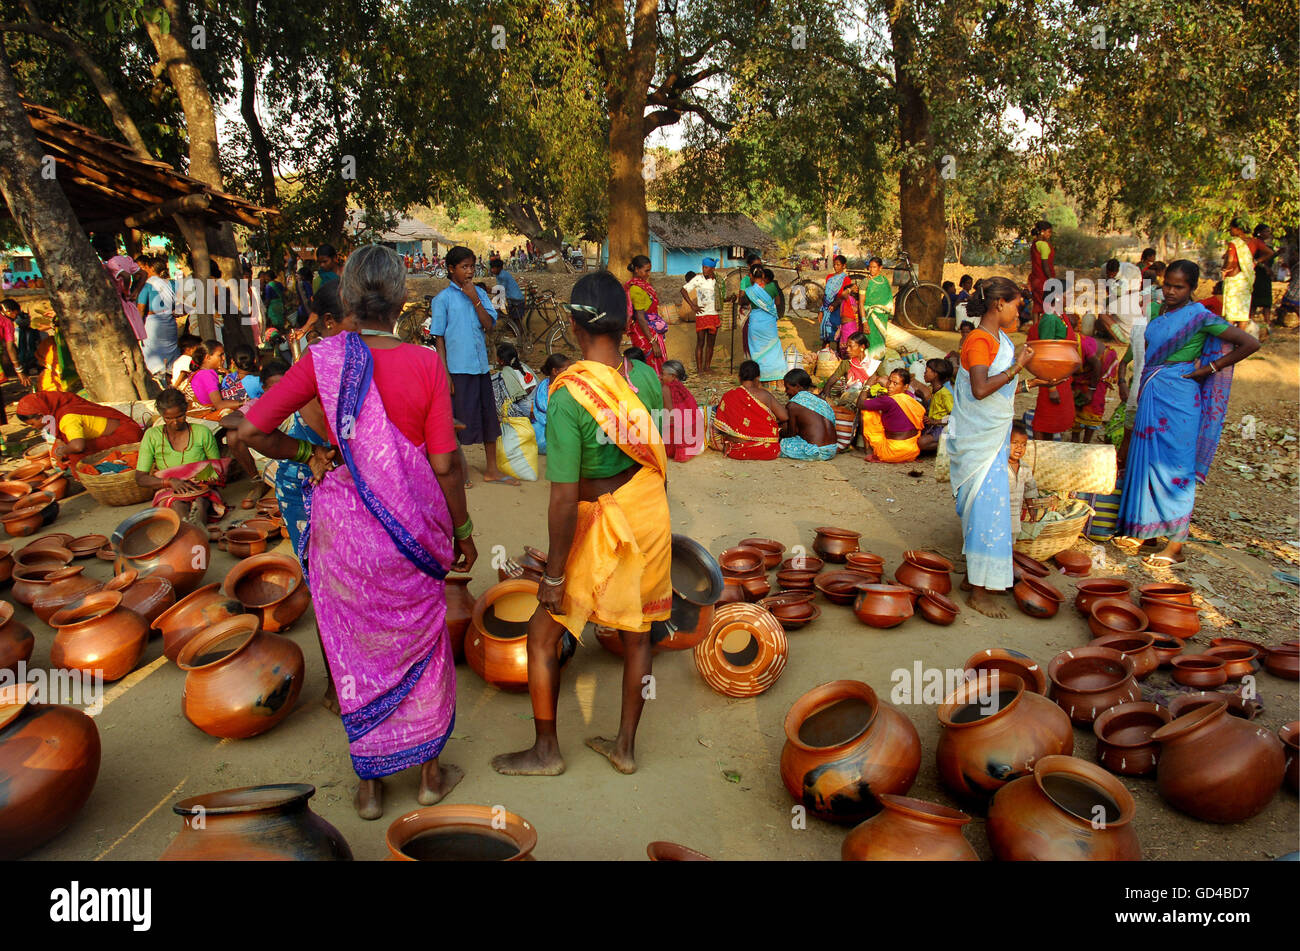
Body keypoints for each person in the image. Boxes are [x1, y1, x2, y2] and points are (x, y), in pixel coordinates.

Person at [238, 244, 473, 818]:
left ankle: (369, 788)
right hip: (410, 532)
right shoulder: (425, 363)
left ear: (347, 298)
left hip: (342, 532)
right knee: (419, 642)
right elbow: (443, 464)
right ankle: (429, 777)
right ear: (401, 300)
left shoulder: (323, 359)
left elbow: (247, 429)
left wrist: (307, 454)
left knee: (355, 650)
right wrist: (462, 529)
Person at [492, 270, 669, 777]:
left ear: (572, 325)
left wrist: (552, 577)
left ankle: (546, 751)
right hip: (648, 512)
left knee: (542, 632)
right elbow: (654, 455)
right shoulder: (648, 379)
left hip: (601, 521)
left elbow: (564, 499)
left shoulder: (568, 393)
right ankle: (625, 748)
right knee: (639, 636)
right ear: (626, 320)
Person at [1114, 260, 1259, 568]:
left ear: (1192, 288)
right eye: (1167, 284)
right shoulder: (1160, 312)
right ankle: (1146, 530)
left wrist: (1210, 368)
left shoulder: (1201, 317)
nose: (1170, 291)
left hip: (1180, 398)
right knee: (1148, 460)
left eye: (1178, 287)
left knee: (1176, 468)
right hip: (1152, 392)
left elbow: (1249, 343)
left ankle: (1176, 544)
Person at [947, 276, 1040, 618]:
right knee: (986, 510)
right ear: (999, 304)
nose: (1020, 310)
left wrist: (1030, 382)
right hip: (978, 440)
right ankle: (980, 592)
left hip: (992, 436)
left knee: (989, 509)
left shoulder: (999, 339)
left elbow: (1001, 390)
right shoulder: (979, 341)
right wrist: (1018, 367)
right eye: (1017, 303)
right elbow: (981, 390)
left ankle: (977, 579)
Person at [427, 246, 519, 487]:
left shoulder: (480, 293)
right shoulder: (442, 300)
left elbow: (489, 325)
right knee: (458, 421)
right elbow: (439, 338)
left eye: (472, 267)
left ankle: (491, 469)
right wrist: (444, 374)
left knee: (489, 418)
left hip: (480, 368)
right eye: (464, 267)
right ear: (451, 269)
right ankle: (460, 471)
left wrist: (475, 299)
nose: (469, 272)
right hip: (457, 369)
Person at [133, 388, 228, 523]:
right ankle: (189, 527)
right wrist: (170, 482)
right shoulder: (152, 436)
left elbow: (217, 468)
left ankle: (196, 526)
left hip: (200, 486)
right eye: (168, 418)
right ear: (161, 415)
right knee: (177, 504)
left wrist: (208, 479)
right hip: (169, 489)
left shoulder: (202, 432)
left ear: (186, 411)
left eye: (179, 416)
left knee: (200, 502)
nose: (175, 422)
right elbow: (140, 478)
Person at [16, 392, 144, 467]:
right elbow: (62, 440)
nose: (34, 428)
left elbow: (78, 446)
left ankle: (93, 478)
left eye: (33, 424)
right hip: (118, 432)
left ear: (41, 415)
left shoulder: (67, 418)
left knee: (76, 454)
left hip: (126, 435)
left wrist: (61, 452)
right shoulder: (57, 413)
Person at [1025, 308, 1095, 441]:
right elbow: (1046, 353)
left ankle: (1049, 449)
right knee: (1043, 420)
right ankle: (1040, 452)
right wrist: (1052, 388)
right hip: (1051, 378)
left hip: (1061, 376)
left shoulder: (1060, 315)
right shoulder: (1050, 318)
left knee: (1054, 419)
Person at [710, 360, 787, 459]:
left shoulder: (729, 395)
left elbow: (720, 425)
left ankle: (739, 440)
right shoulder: (765, 395)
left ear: (739, 378)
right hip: (767, 449)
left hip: (737, 449)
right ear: (758, 377)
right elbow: (784, 416)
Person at [858, 368, 926, 463]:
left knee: (867, 410)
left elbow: (860, 403)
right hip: (912, 451)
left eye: (895, 383)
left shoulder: (888, 400)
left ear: (906, 387)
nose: (890, 386)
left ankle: (868, 449)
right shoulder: (910, 398)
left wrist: (868, 384)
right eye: (889, 381)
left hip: (892, 452)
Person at [137, 253, 182, 384]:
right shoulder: (171, 284)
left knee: (153, 356)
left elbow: (141, 308)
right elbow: (178, 305)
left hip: (153, 324)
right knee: (170, 355)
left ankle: (159, 382)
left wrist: (137, 329)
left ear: (150, 268)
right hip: (169, 322)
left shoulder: (147, 285)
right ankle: (172, 381)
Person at [92, 233, 146, 341]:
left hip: (119, 300)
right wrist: (136, 291)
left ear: (101, 251)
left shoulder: (111, 263)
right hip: (128, 301)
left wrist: (125, 290)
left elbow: (125, 276)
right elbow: (144, 274)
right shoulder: (126, 259)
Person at [741, 266, 787, 390]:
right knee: (775, 349)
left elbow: (743, 302)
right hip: (769, 323)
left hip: (756, 323)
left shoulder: (750, 290)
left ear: (752, 276)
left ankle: (760, 382)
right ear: (762, 276)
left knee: (757, 352)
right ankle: (779, 381)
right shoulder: (771, 287)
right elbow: (777, 302)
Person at [780, 369, 837, 461]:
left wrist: (780, 432)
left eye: (788, 388)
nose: (786, 392)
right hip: (832, 449)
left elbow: (791, 434)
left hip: (816, 451)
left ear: (798, 386)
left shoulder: (793, 405)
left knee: (780, 442)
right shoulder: (821, 399)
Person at [624, 255, 668, 373]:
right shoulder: (636, 289)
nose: (648, 274)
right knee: (649, 365)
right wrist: (653, 342)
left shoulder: (643, 286)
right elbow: (640, 317)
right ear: (637, 270)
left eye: (649, 270)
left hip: (650, 331)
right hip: (643, 333)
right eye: (646, 270)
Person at [1072, 337, 1117, 444]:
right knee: (1076, 399)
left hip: (1101, 365)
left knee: (1094, 402)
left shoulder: (1081, 345)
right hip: (1086, 369)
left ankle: (1086, 442)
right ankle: (1075, 437)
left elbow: (1097, 364)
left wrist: (1091, 391)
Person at [682, 258, 724, 373]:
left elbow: (720, 297)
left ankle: (707, 367)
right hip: (702, 315)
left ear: (713, 269)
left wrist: (729, 298)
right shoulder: (698, 279)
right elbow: (683, 290)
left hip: (714, 314)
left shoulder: (718, 281)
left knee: (711, 344)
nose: (704, 270)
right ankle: (700, 369)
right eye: (703, 267)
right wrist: (692, 306)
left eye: (706, 267)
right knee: (700, 342)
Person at [660, 359, 704, 462]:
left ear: (673, 376)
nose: (660, 377)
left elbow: (669, 414)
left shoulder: (665, 388)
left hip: (673, 437)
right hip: (692, 437)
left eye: (663, 374)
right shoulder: (682, 388)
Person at [532, 353, 571, 453]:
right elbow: (534, 412)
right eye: (566, 370)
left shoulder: (568, 386)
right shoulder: (543, 387)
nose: (570, 373)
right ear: (555, 371)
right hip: (546, 428)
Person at [917, 358, 955, 454]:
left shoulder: (945, 394)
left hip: (941, 426)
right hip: (932, 425)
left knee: (921, 443)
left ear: (935, 374)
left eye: (926, 371)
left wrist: (935, 421)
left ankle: (947, 445)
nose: (924, 374)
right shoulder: (934, 391)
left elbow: (954, 416)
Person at [1007, 421, 1038, 538]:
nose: (1019, 447)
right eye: (1014, 443)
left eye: (1023, 444)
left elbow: (1029, 488)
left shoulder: (1025, 468)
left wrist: (1031, 508)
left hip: (1015, 513)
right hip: (997, 512)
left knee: (1011, 540)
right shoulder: (999, 467)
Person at [492, 341, 538, 417]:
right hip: (539, 401)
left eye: (497, 357)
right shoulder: (523, 366)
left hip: (527, 406)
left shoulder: (505, 374)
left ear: (501, 361)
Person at [860, 257, 894, 357]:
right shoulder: (865, 282)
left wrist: (890, 315)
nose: (871, 270)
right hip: (870, 318)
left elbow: (889, 300)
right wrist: (864, 321)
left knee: (880, 344)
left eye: (874, 267)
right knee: (870, 344)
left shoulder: (884, 281)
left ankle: (878, 367)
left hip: (882, 318)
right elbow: (861, 303)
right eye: (870, 267)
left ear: (880, 268)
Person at [819, 255, 851, 345]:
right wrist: (821, 310)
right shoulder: (829, 277)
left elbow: (843, 296)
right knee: (826, 334)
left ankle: (838, 354)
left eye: (838, 265)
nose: (835, 267)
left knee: (837, 332)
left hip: (838, 308)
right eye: (834, 264)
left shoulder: (846, 279)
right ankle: (825, 354)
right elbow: (826, 294)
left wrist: (834, 304)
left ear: (844, 266)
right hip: (826, 307)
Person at [1250, 224, 1278, 325]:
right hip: (1257, 275)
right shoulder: (1255, 245)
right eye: (1266, 231)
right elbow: (1254, 260)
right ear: (1259, 233)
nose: (1268, 234)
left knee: (1266, 302)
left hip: (1265, 277)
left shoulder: (1267, 247)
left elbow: (1269, 258)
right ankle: (1250, 321)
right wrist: (1264, 267)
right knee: (1254, 300)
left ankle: (1267, 321)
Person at [0, 298, 31, 389]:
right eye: (16, 314)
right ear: (8, 311)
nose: (16, 318)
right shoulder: (7, 322)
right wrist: (19, 371)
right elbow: (10, 348)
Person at [1028, 220, 1055, 318]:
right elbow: (1045, 264)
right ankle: (1045, 327)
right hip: (1043, 279)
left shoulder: (1034, 244)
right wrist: (1051, 278)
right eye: (1049, 232)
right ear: (1042, 231)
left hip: (1035, 278)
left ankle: (1035, 327)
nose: (1050, 235)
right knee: (1046, 304)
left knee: (1037, 304)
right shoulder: (1044, 245)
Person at [489, 258, 525, 326]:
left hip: (516, 299)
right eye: (492, 268)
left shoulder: (503, 276)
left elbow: (501, 290)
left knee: (516, 320)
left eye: (494, 268)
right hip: (511, 298)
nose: (492, 270)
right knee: (512, 319)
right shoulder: (499, 275)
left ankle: (520, 335)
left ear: (499, 268)